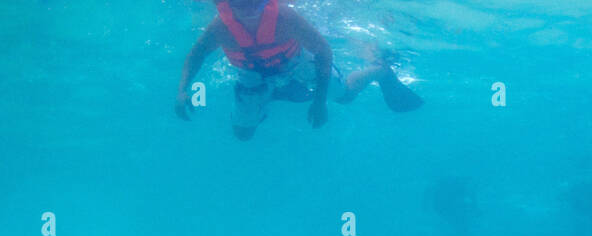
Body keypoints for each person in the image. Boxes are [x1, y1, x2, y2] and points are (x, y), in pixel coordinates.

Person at [175, 0, 422, 140]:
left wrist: (319, 101)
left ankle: (379, 70)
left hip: (296, 61)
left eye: (256, 2)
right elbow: (196, 55)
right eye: (241, 2)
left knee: (345, 96)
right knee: (242, 133)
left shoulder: (285, 17)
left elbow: (323, 51)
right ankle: (272, 95)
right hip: (251, 72)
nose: (249, 10)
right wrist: (182, 90)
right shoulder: (219, 27)